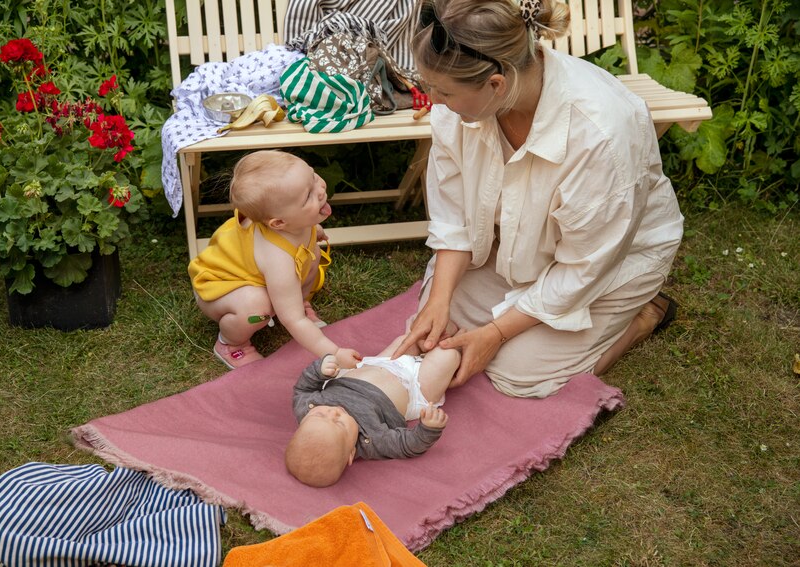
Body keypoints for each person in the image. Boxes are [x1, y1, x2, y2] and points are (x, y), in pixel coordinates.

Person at [392, 0, 684, 398]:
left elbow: (582, 268)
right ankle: (498, 318)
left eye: (443, 91)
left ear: (496, 85)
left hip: (608, 263)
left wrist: (495, 334)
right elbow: (454, 219)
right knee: (441, 326)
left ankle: (643, 315)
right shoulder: (459, 111)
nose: (433, 101)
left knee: (518, 376)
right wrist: (439, 301)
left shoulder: (599, 134)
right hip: (520, 247)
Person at [188, 150, 361, 369]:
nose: (320, 189)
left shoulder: (292, 223)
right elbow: (294, 321)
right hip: (220, 286)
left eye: (313, 176)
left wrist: (313, 228)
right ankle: (231, 343)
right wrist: (334, 353)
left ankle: (294, 301)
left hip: (258, 274)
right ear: (278, 223)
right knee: (258, 309)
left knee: (312, 255)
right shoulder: (276, 258)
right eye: (308, 195)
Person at [285, 333, 459, 487]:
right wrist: (428, 428)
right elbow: (407, 445)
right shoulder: (371, 441)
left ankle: (434, 339)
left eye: (320, 415)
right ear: (351, 452)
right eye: (339, 423)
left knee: (412, 338)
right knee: (448, 354)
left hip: (379, 364)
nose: (333, 412)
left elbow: (303, 388)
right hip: (415, 386)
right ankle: (454, 344)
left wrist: (319, 370)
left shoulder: (306, 406)